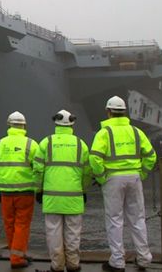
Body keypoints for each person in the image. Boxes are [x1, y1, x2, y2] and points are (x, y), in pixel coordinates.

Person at [89, 96, 157, 272]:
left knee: (114, 220)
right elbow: (151, 156)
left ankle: (118, 261)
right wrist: (142, 172)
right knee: (138, 219)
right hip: (134, 177)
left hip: (113, 179)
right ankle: (144, 258)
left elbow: (94, 157)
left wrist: (101, 176)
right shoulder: (136, 132)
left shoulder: (104, 133)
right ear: (125, 111)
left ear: (108, 112)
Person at [33, 110, 91, 272]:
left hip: (51, 198)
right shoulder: (81, 144)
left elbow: (38, 170)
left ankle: (57, 265)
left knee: (53, 233)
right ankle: (73, 264)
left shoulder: (46, 143)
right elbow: (87, 172)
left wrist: (38, 190)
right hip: (74, 197)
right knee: (73, 233)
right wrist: (83, 190)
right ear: (72, 124)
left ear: (56, 124)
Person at [0, 111, 40, 269]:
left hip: (5, 192)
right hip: (25, 192)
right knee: (22, 225)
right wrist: (38, 189)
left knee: (9, 224)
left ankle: (15, 254)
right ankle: (17, 258)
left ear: (9, 125)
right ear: (24, 126)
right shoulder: (32, 144)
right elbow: (38, 169)